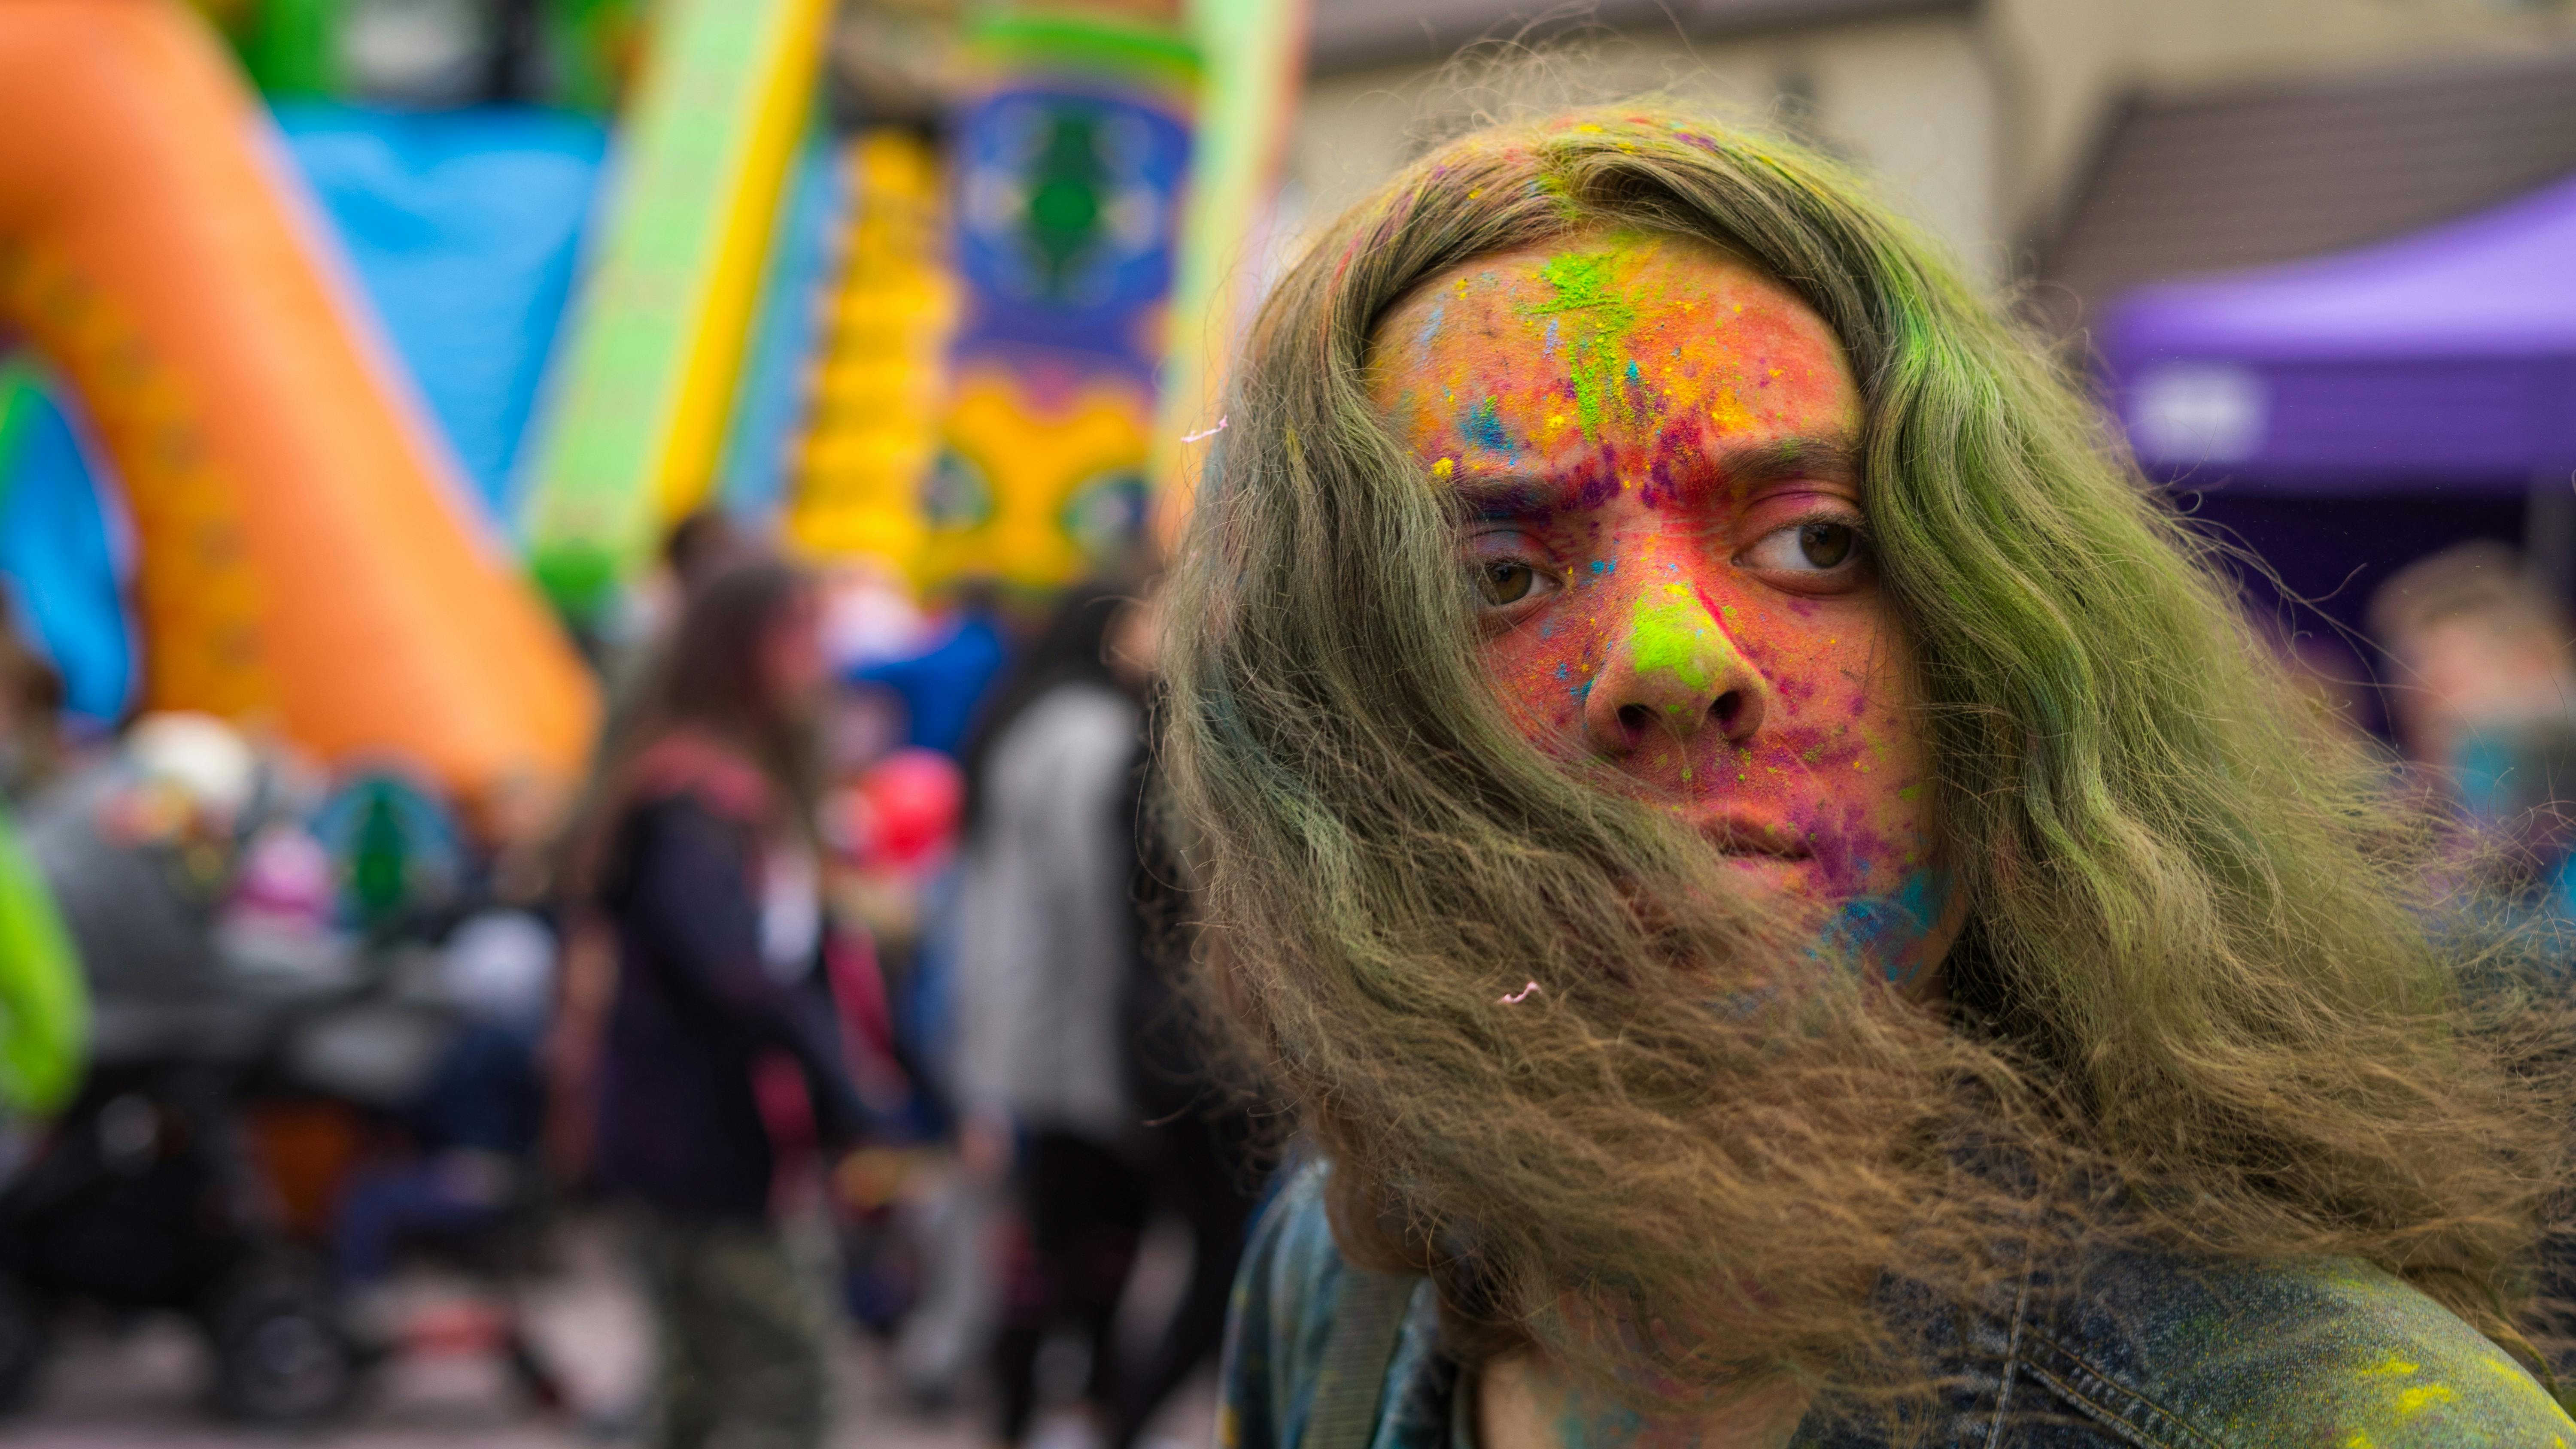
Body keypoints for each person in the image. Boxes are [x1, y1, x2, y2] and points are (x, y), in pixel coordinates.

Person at [1163, 110, 2576, 1447]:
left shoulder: (2339, 1417)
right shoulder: (1332, 1276)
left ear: (2000, 653)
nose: (1670, 662)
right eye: (1499, 574)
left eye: (1814, 542)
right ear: (1330, 726)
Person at [568, 558, 870, 1449]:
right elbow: (739, 975)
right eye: (799, 636)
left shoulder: (716, 782)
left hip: (696, 1130)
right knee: (781, 1384)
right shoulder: (694, 798)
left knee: (694, 1387)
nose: (817, 663)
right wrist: (854, 1095)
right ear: (744, 649)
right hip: (709, 1139)